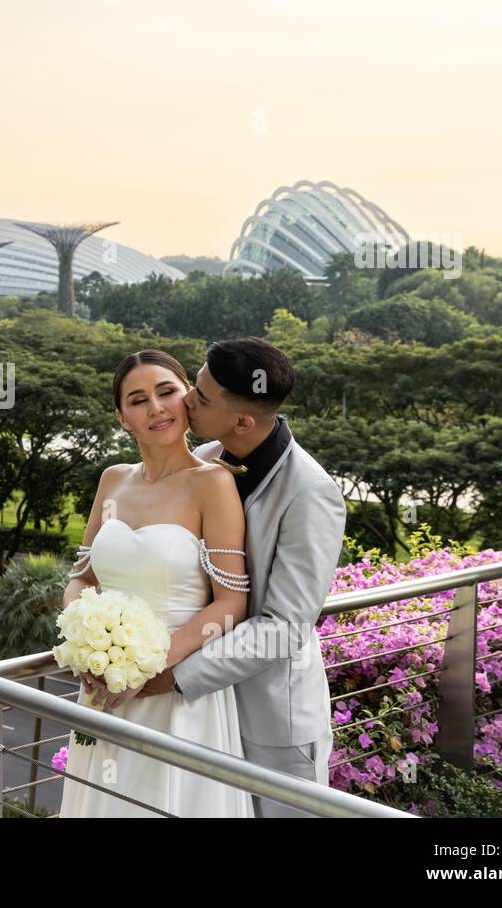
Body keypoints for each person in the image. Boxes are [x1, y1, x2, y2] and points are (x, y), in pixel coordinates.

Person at [135, 336, 348, 818]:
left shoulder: (312, 493)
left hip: (269, 721)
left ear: (243, 421)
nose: (186, 398)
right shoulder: (205, 460)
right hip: (201, 714)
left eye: (202, 398)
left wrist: (175, 676)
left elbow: (285, 626)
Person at [58, 349, 255, 818]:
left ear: (188, 396)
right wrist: (86, 644)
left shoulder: (213, 483)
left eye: (166, 392)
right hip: (103, 686)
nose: (156, 408)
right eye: (138, 399)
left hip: (172, 690)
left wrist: (147, 669)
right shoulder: (112, 481)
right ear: (122, 418)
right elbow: (82, 577)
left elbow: (231, 602)